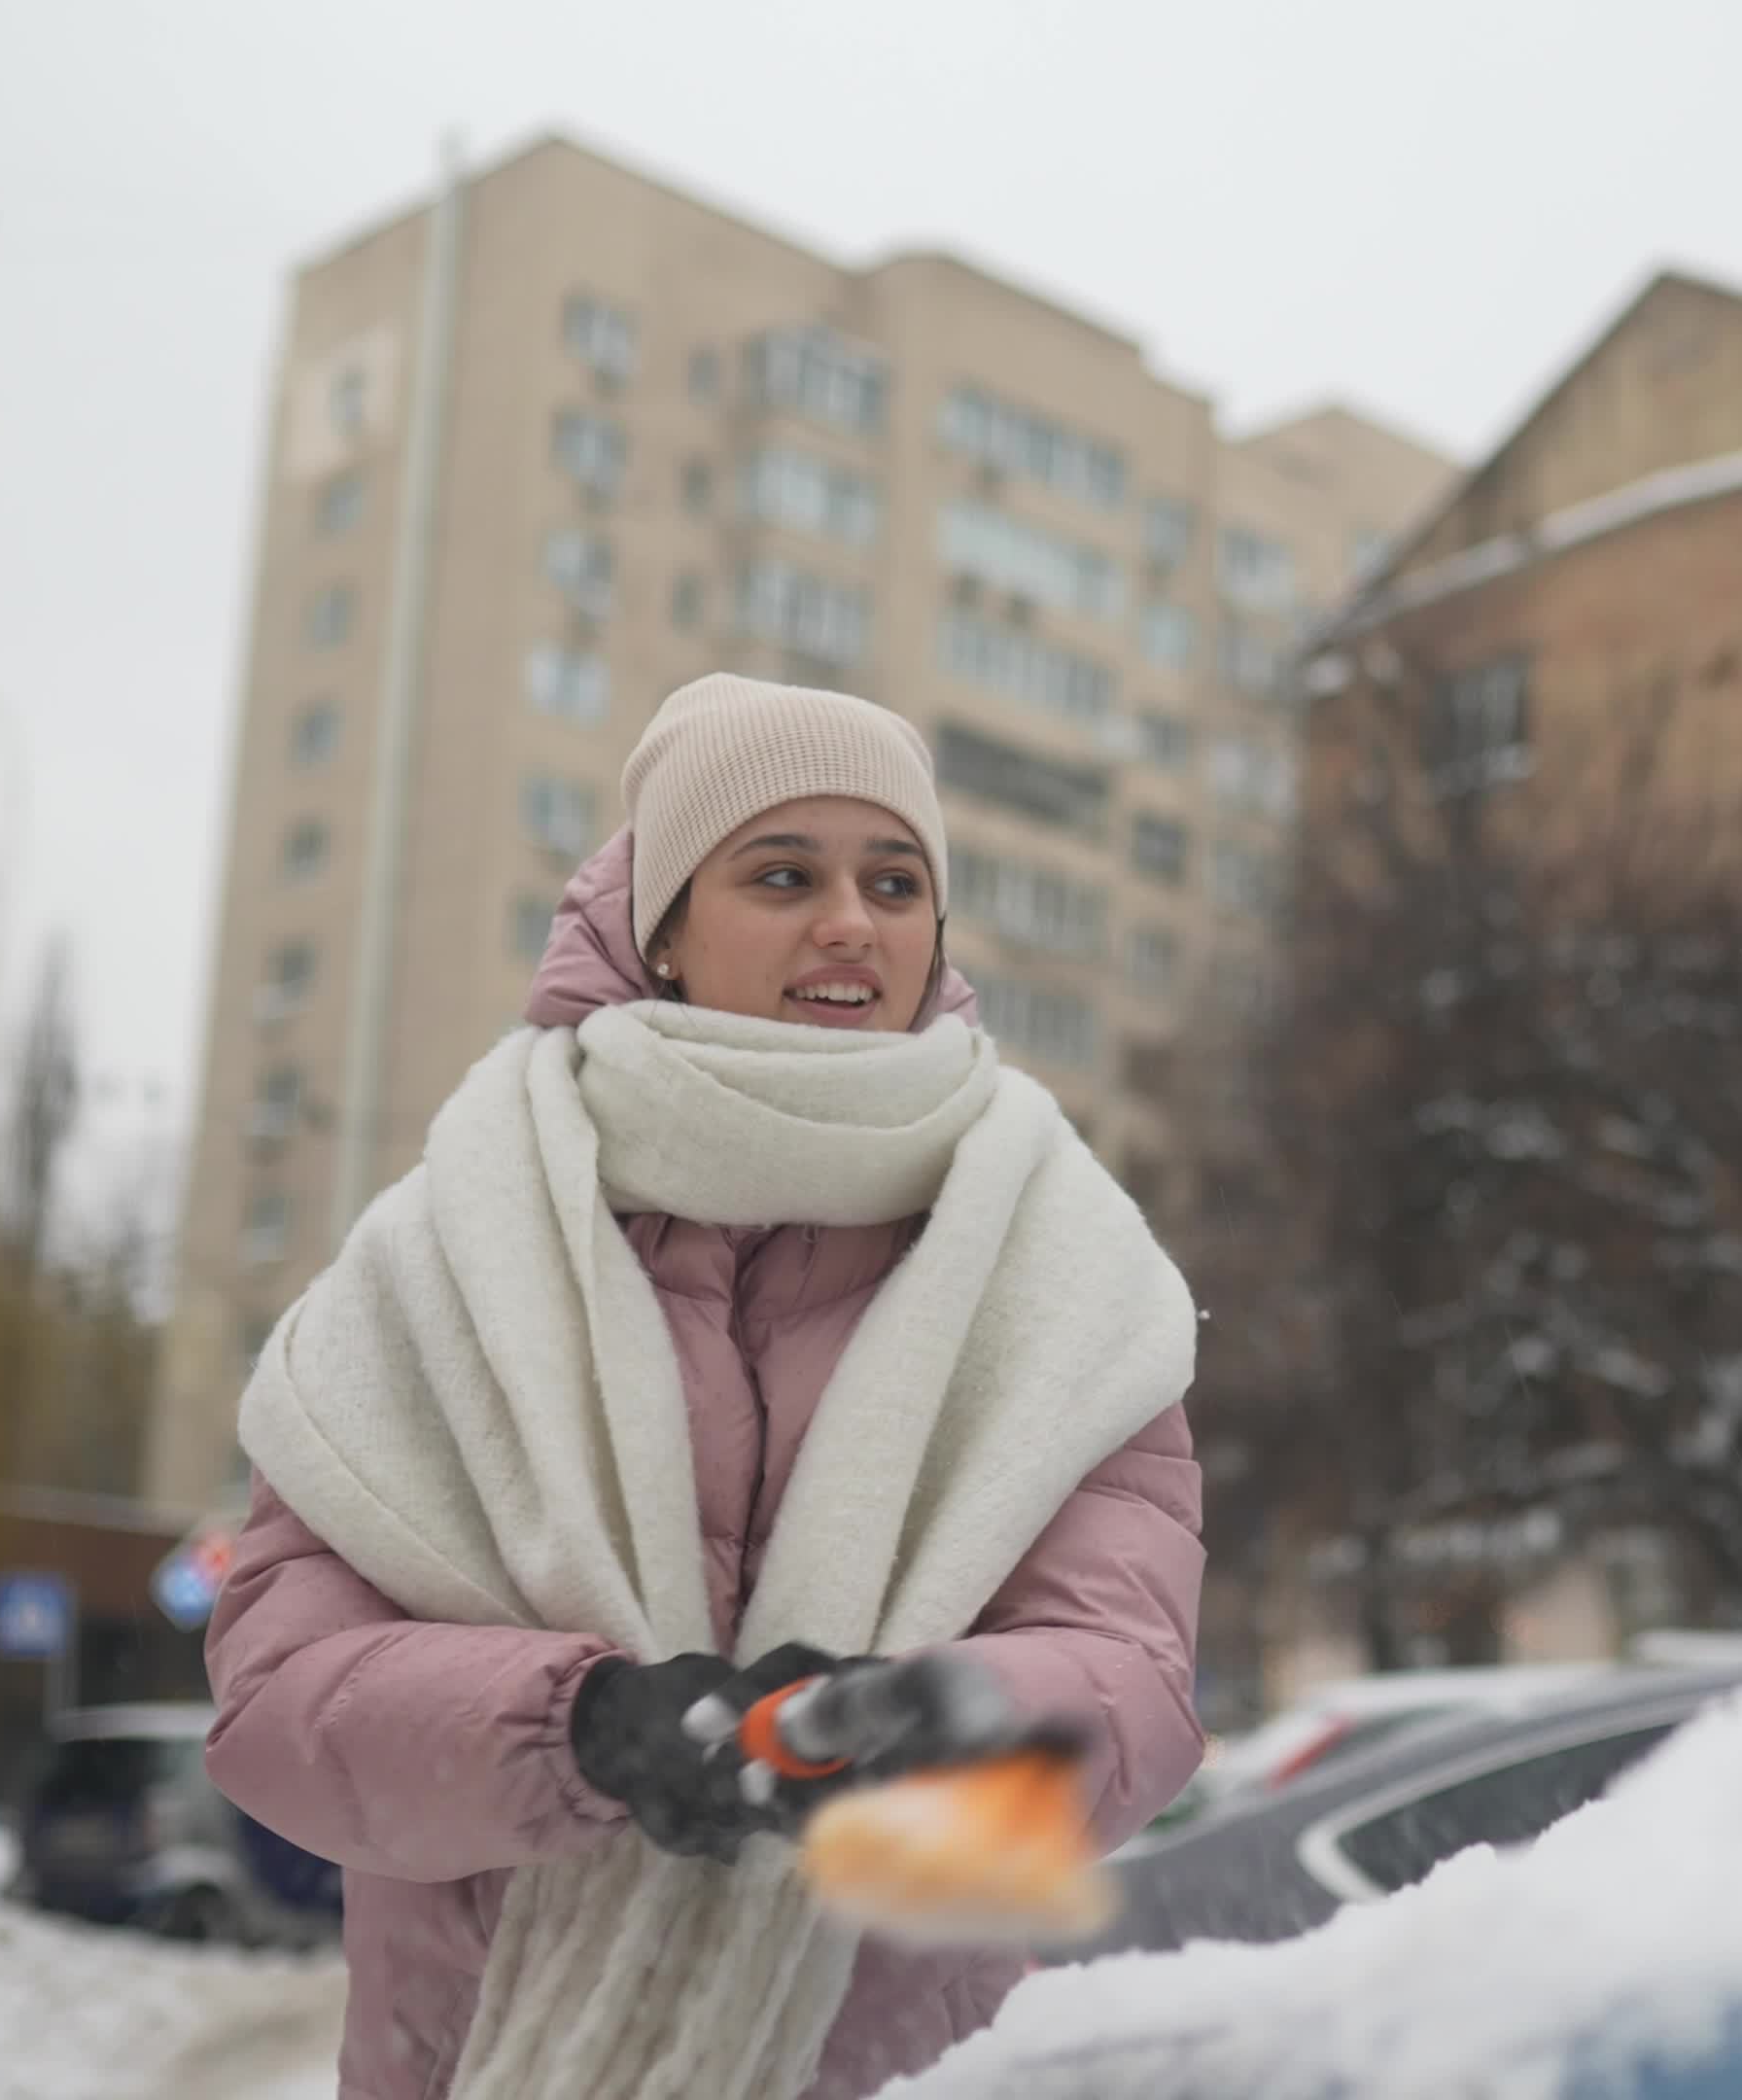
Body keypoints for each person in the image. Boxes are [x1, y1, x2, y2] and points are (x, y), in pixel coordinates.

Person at [204, 676, 1204, 2100]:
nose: (852, 922)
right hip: (475, 2055)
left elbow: (1133, 1680)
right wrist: (581, 1732)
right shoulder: (450, 1246)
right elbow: (278, 1696)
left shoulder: (1060, 1271)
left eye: (896, 880)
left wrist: (932, 1725)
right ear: (664, 925)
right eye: (783, 873)